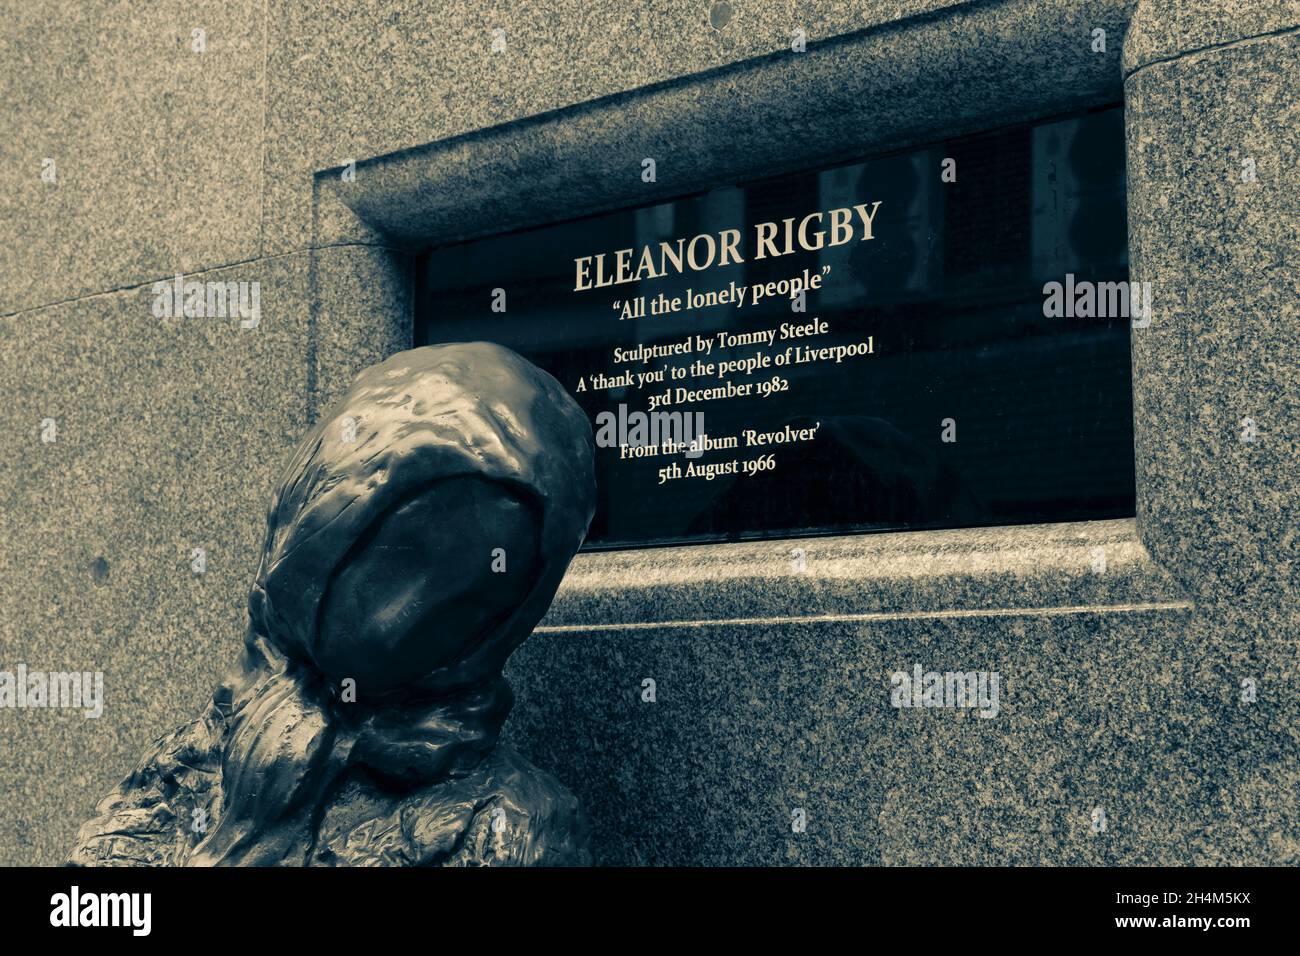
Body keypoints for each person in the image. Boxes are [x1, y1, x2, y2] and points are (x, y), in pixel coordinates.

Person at [70, 342, 596, 866]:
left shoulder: (514, 829)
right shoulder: (192, 758)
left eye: (464, 598)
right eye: (398, 559)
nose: (398, 619)